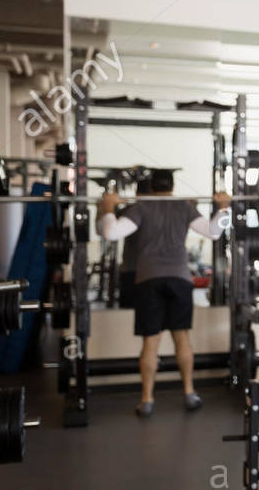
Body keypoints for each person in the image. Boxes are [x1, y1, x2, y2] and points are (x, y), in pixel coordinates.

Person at [98, 169, 230, 417]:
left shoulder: (141, 208)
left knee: (151, 341)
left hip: (149, 279)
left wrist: (107, 208)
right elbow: (214, 232)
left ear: (151, 186)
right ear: (172, 185)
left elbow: (109, 233)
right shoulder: (183, 207)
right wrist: (223, 208)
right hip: (179, 279)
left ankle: (147, 399)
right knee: (182, 337)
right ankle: (189, 392)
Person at [116, 176, 153, 309]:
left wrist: (104, 208)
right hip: (145, 271)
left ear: (137, 193)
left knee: (130, 313)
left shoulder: (130, 210)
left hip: (135, 271)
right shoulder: (129, 210)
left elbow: (103, 229)